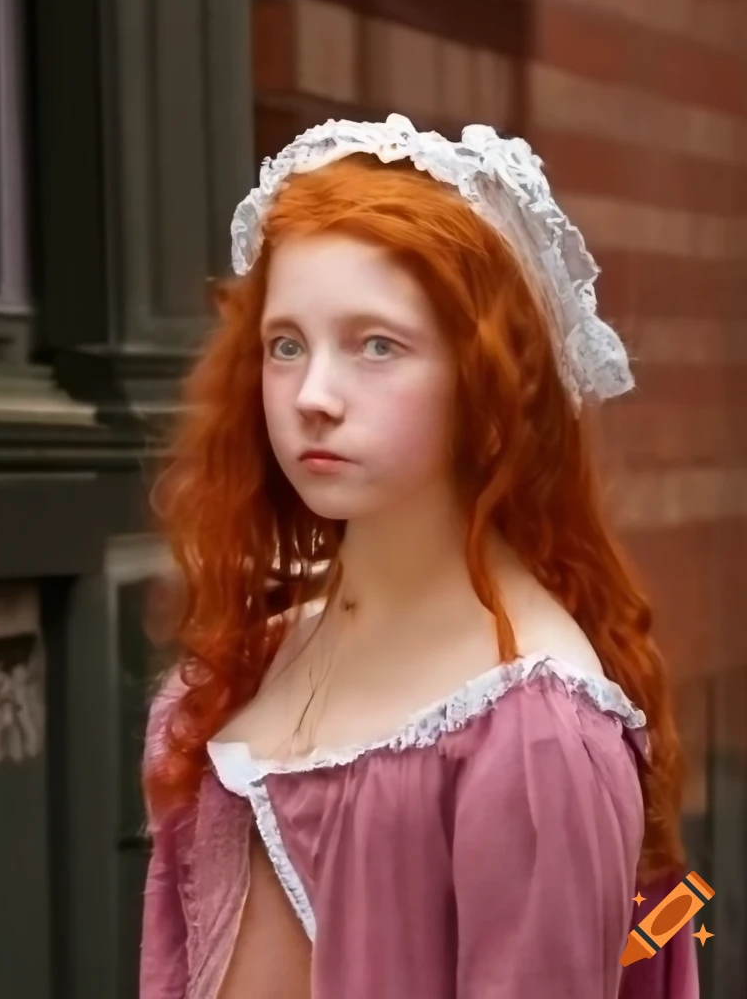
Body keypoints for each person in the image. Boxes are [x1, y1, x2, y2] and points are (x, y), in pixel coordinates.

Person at [139, 115, 698, 998]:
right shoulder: (247, 669)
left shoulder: (530, 733)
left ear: (490, 384)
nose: (313, 396)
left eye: (377, 346)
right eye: (286, 345)